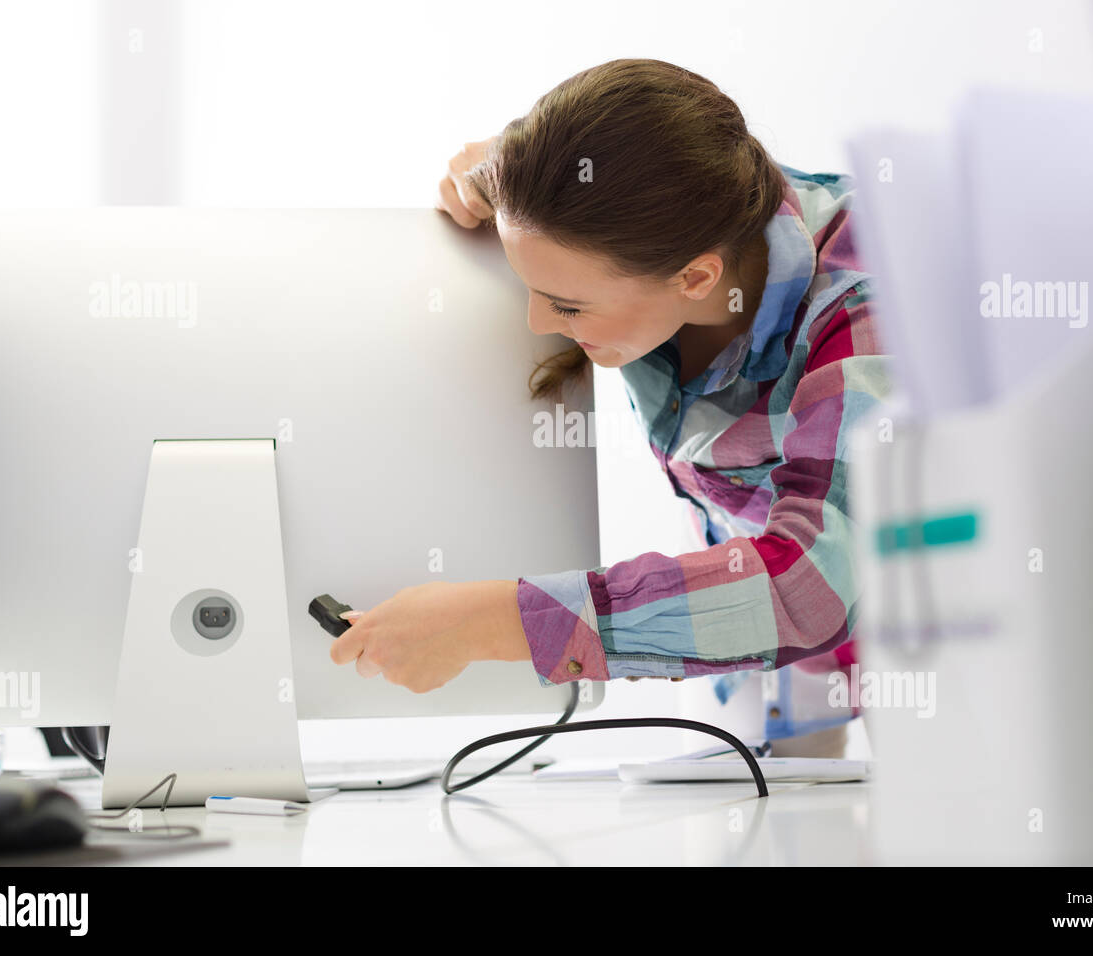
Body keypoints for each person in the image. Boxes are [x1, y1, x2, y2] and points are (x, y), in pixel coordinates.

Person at [331, 58, 892, 759]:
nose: (538, 322)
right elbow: (577, 158)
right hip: (766, 671)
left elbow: (813, 584)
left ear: (696, 277)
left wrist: (498, 621)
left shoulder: (871, 309)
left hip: (928, 662)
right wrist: (496, 173)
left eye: (567, 304)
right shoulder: (652, 208)